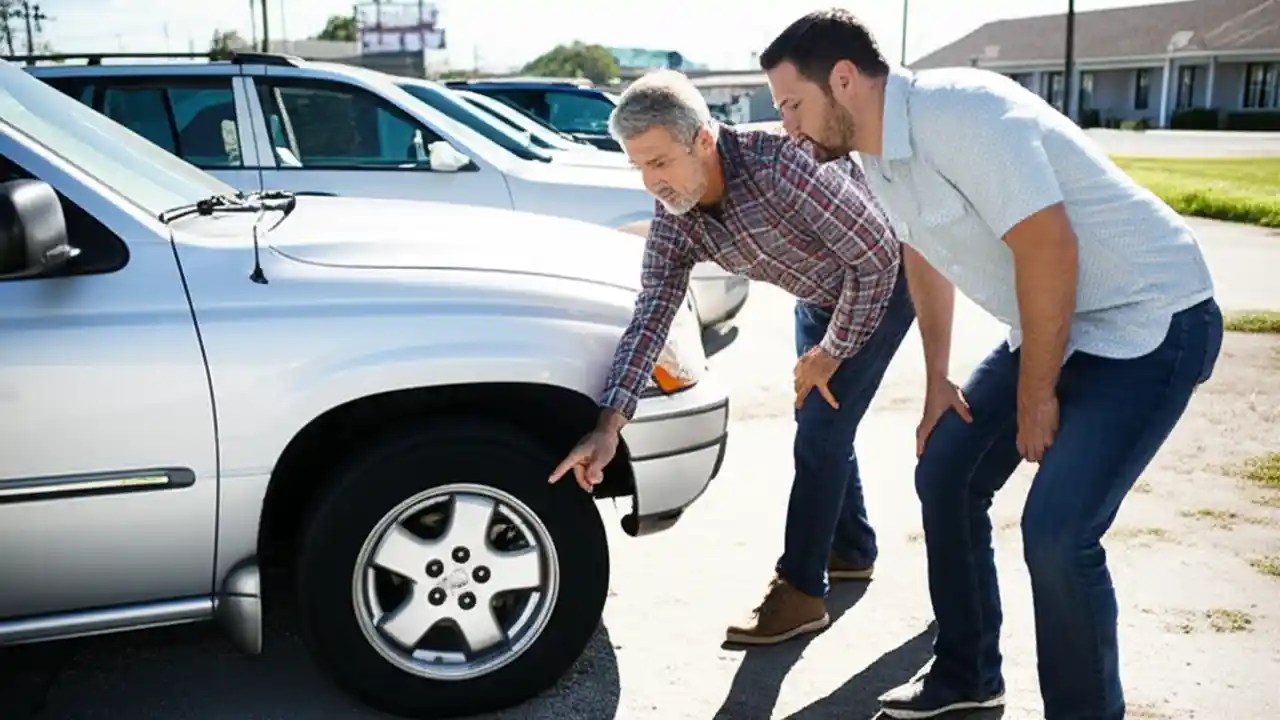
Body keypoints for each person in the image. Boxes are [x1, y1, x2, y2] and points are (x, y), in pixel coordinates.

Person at [760, 9, 1223, 720]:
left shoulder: (964, 116)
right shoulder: (879, 152)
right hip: (1057, 323)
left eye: (792, 105)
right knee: (946, 468)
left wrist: (1037, 395)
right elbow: (923, 251)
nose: (788, 127)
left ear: (844, 81)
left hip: (1151, 321)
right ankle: (968, 677)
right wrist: (937, 381)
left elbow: (1050, 249)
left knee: (1059, 534)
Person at [547, 69, 916, 645]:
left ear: (703, 139)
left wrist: (831, 351)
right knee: (823, 426)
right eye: (638, 167)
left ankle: (801, 590)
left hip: (884, 285)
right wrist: (609, 425)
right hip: (818, 298)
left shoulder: (784, 166)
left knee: (820, 429)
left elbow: (876, 259)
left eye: (661, 162)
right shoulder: (677, 217)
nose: (651, 184)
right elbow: (652, 313)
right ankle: (851, 548)